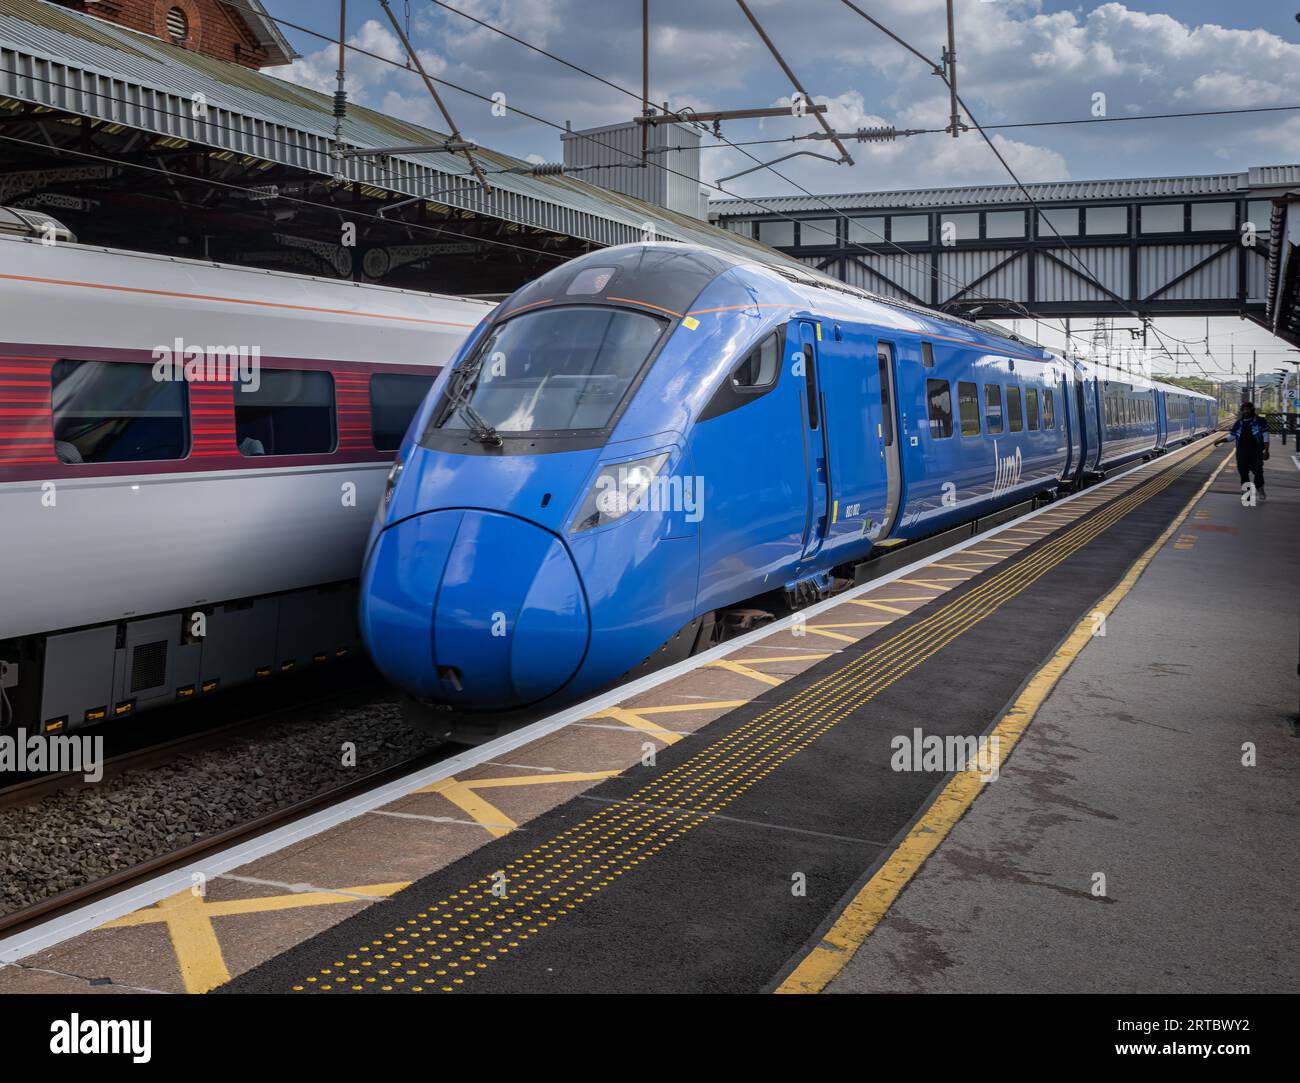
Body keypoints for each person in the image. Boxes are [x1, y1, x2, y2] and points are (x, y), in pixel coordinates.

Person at [1222, 402, 1270, 503]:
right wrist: (1220, 440)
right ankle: (1248, 495)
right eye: (1244, 409)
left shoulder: (1260, 421)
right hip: (1241, 453)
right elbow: (1232, 437)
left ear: (1252, 410)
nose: (1246, 411)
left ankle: (1260, 488)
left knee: (1258, 472)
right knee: (1243, 474)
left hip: (1256, 453)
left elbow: (1266, 436)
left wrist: (1266, 450)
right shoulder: (1239, 423)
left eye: (1248, 409)